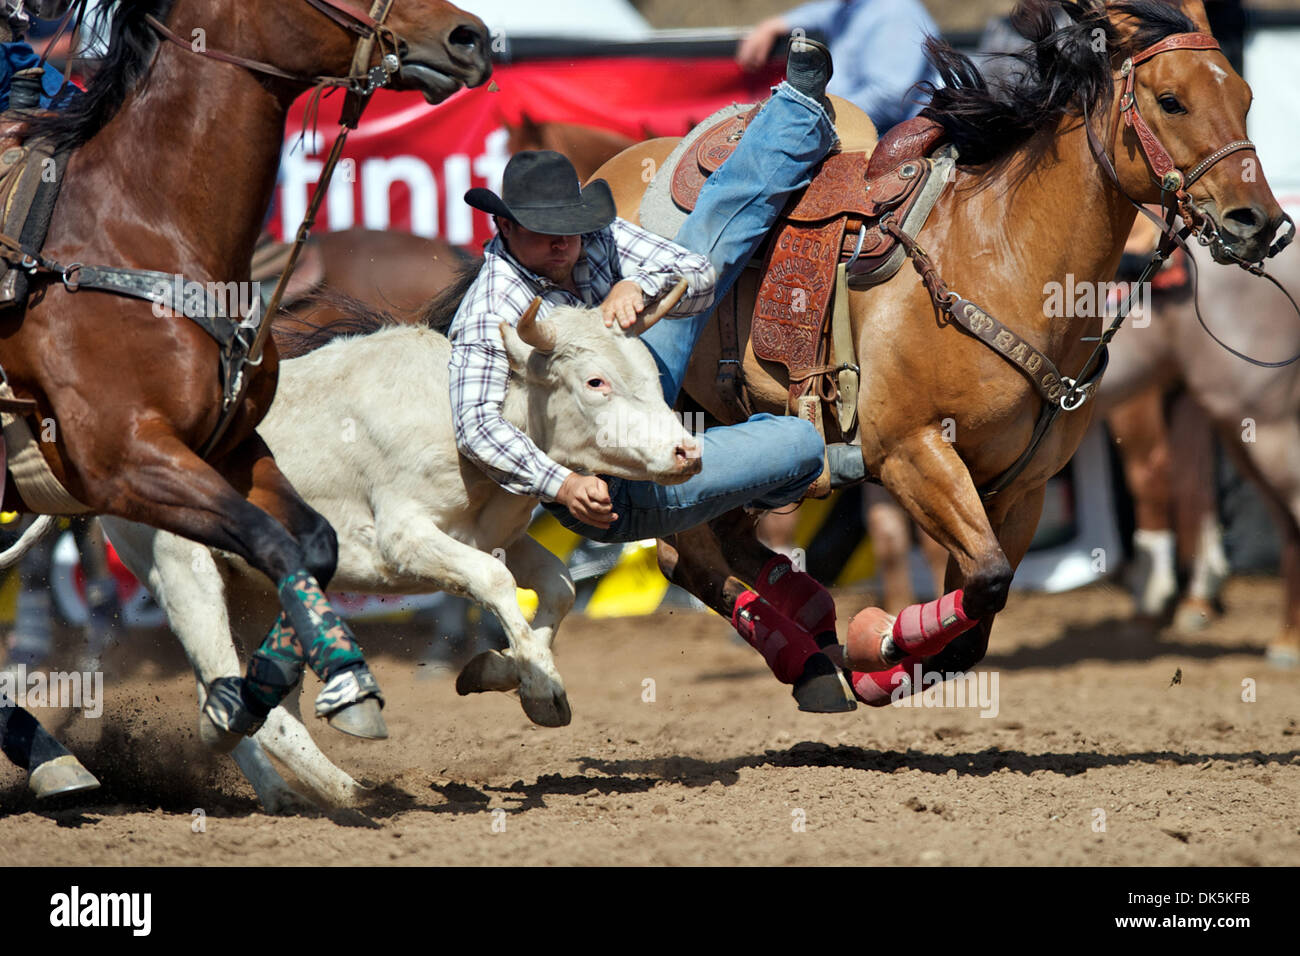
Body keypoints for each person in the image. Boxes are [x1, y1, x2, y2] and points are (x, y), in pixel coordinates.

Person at [448, 40, 863, 710]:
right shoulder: (488, 311)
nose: (563, 243)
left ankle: (796, 113)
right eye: (543, 232)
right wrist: (564, 481)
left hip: (634, 368)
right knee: (803, 446)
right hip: (611, 475)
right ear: (501, 226)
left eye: (570, 230)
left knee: (713, 232)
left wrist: (637, 287)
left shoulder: (596, 240)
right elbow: (475, 426)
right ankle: (776, 474)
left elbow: (696, 269)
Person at [736, 0, 939, 134]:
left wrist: (816, 117)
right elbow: (822, 12)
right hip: (848, 127)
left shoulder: (895, 12)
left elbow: (889, 98)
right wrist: (774, 24)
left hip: (885, 142)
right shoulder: (852, 8)